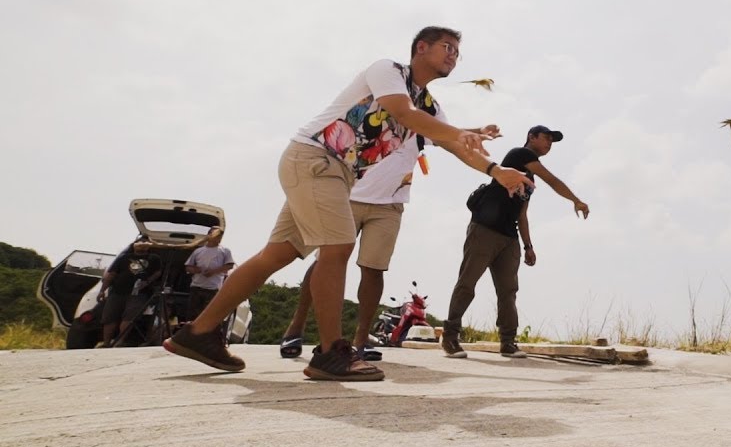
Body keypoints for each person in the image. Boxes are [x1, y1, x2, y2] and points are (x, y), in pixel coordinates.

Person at [163, 26, 532, 381]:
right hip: (315, 159)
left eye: (457, 51)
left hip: (333, 173)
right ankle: (330, 353)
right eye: (446, 47)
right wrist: (461, 134)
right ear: (421, 47)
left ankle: (199, 333)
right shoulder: (388, 71)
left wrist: (495, 170)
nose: (454, 55)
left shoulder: (429, 106)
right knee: (338, 247)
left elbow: (452, 142)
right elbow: (402, 114)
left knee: (275, 256)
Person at [278, 71, 503, 362]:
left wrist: (478, 137)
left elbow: (448, 135)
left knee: (373, 269)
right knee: (326, 262)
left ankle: (361, 340)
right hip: (348, 194)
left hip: (389, 204)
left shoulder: (426, 114)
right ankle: (295, 326)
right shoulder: (385, 103)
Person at [441, 125, 589, 359]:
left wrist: (528, 246)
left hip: (509, 237)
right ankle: (450, 337)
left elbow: (522, 214)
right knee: (467, 283)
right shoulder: (519, 155)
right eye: (546, 138)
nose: (549, 143)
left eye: (553, 140)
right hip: (485, 229)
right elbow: (551, 179)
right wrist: (576, 200)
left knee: (508, 291)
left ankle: (508, 342)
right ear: (532, 137)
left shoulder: (528, 179)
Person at [97, 237, 162, 347]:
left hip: (139, 294)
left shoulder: (154, 258)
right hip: (117, 292)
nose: (141, 244)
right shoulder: (123, 258)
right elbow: (111, 274)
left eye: (144, 242)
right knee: (109, 317)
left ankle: (119, 342)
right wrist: (102, 290)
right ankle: (106, 343)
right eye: (139, 242)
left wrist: (147, 282)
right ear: (134, 245)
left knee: (129, 317)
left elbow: (158, 272)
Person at [183, 226, 235, 332]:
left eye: (220, 236)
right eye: (216, 235)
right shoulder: (198, 251)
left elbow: (229, 265)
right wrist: (197, 270)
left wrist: (213, 271)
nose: (218, 238)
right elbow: (188, 266)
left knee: (211, 316)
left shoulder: (224, 251)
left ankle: (210, 338)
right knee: (193, 315)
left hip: (213, 288)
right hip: (196, 287)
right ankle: (190, 338)